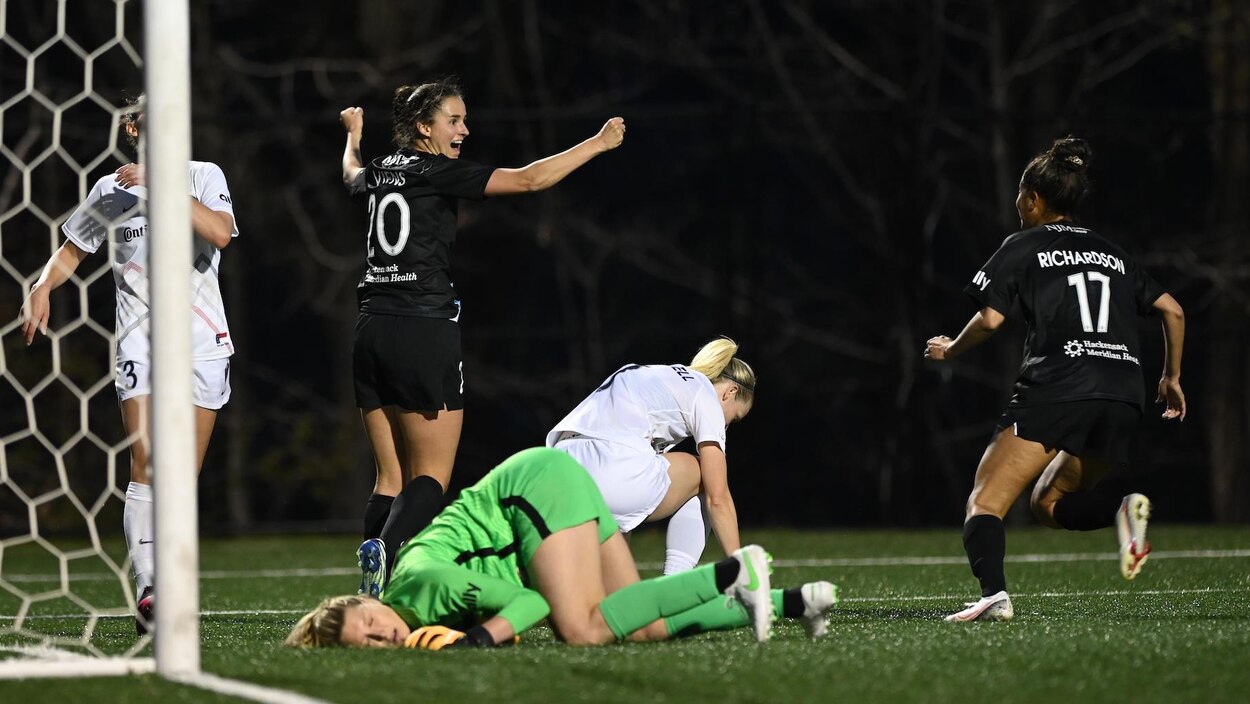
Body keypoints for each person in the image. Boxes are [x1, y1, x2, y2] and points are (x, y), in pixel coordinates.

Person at [338, 78, 626, 595]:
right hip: (422, 329)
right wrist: (599, 144)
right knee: (431, 478)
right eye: (454, 120)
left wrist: (353, 134)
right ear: (424, 127)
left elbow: (351, 172)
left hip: (370, 329)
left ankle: (369, 590)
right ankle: (385, 548)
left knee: (389, 478)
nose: (464, 129)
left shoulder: (381, 169)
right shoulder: (437, 172)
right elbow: (531, 180)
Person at [924, 136, 1186, 623]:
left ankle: (994, 596)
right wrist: (1171, 377)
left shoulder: (1022, 245)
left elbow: (991, 320)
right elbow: (1172, 309)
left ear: (1032, 198)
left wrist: (949, 349)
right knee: (1049, 503)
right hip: (1123, 393)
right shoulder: (1113, 253)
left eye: (1021, 193)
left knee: (985, 502)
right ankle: (1122, 510)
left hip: (1058, 386)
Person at [20, 96, 239, 634]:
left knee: (182, 477)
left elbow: (219, 233)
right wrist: (43, 284)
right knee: (146, 465)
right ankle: (149, 590)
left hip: (202, 341)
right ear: (133, 127)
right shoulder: (110, 189)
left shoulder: (201, 174)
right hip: (140, 340)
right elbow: (73, 248)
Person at [285, 447, 838, 649]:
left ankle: (736, 571)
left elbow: (533, 607)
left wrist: (475, 641)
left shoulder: (422, 586)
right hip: (545, 489)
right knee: (639, 622)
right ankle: (798, 601)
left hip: (536, 491)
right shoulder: (407, 612)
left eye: (371, 623)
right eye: (373, 644)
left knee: (580, 628)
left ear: (366, 599)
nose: (385, 634)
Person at [546, 337, 756, 576]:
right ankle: (676, 582)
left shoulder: (657, 374)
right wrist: (741, 565)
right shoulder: (705, 394)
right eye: (735, 418)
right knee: (705, 475)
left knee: (615, 595)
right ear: (730, 392)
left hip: (560, 471)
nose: (728, 425)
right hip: (612, 473)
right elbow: (718, 498)